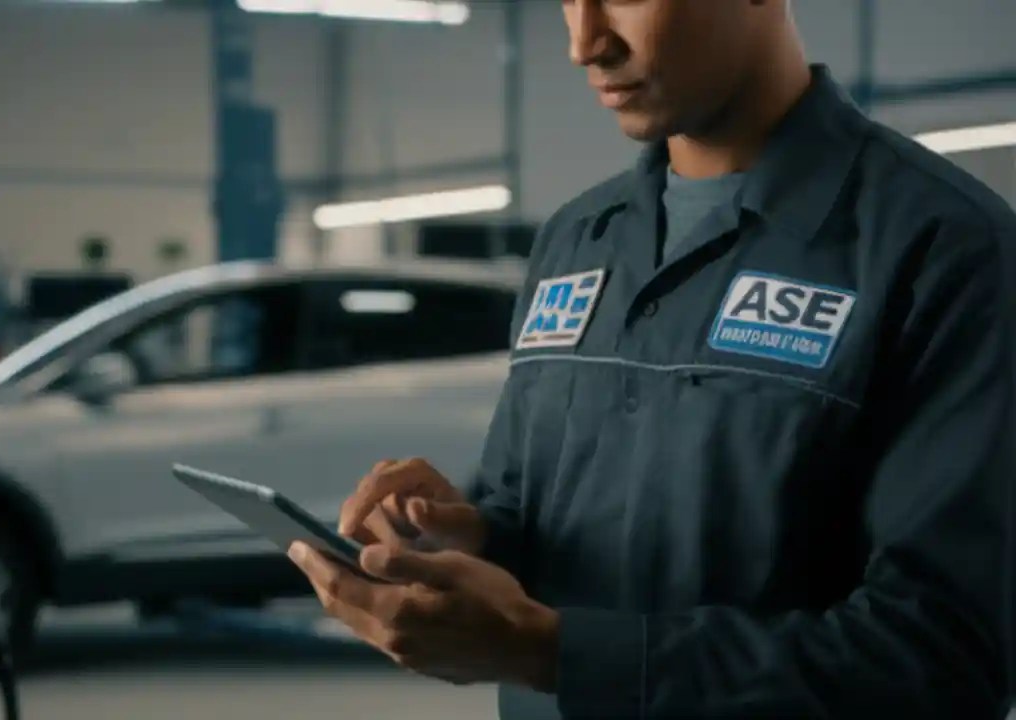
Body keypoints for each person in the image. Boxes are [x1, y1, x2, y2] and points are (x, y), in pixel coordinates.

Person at [287, 1, 1016, 717]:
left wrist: (550, 652)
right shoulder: (576, 240)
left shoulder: (943, 250)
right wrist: (463, 532)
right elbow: (525, 508)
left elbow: (941, 657)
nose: (585, 42)